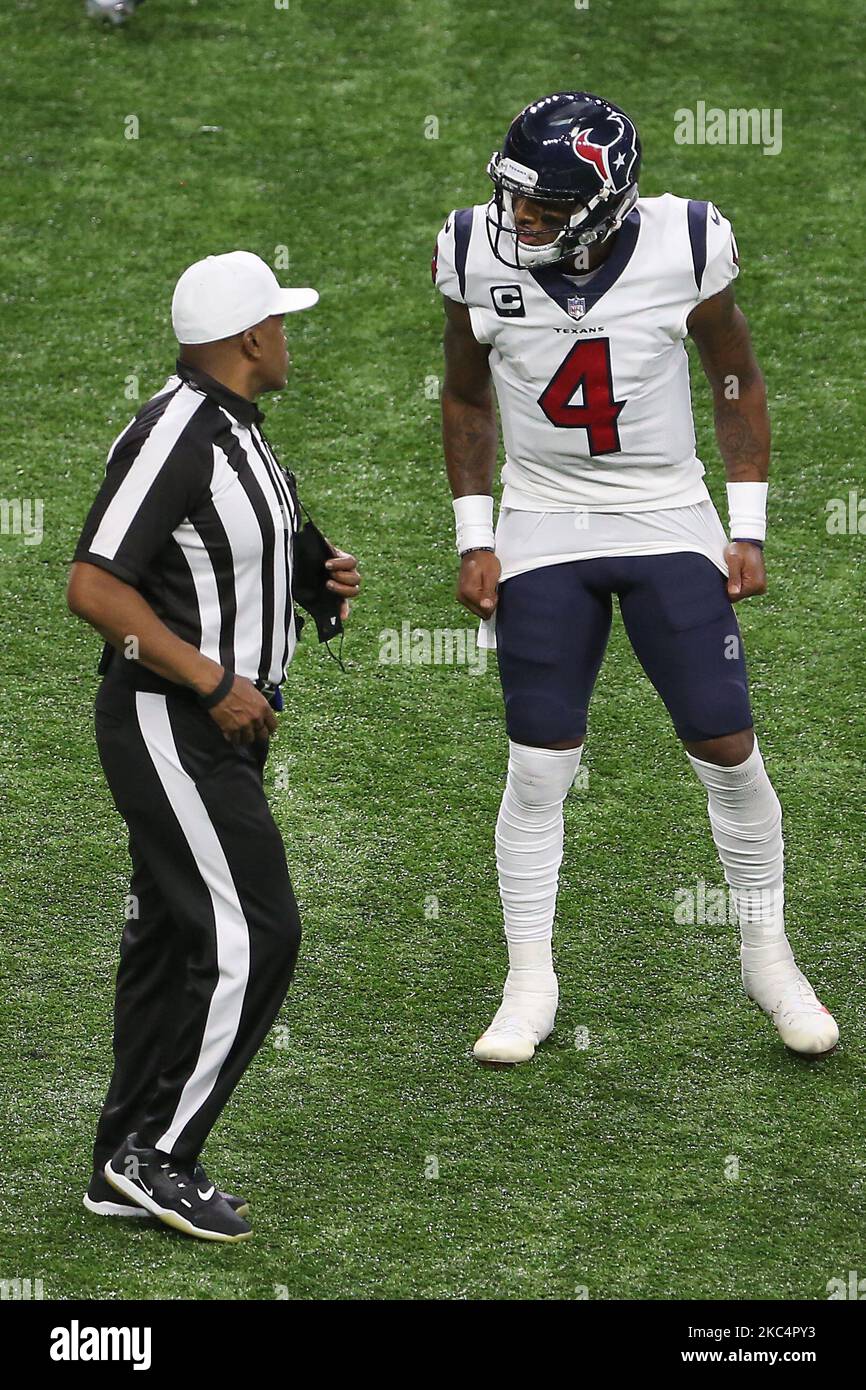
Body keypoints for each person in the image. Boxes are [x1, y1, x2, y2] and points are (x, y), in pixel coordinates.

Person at [433, 91, 838, 1065]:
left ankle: (766, 955)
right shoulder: (472, 252)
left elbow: (732, 376)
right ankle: (528, 978)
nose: (513, 220)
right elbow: (461, 393)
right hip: (540, 518)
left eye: (538, 206)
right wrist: (473, 535)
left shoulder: (684, 245)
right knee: (537, 761)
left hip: (662, 510)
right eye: (511, 199)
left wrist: (745, 525)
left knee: (725, 741)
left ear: (601, 204)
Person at [68, 251, 361, 1240]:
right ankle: (161, 1155)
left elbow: (244, 544)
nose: (287, 335)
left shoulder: (235, 431)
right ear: (246, 340)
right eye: (278, 322)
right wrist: (211, 681)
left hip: (216, 725)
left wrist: (315, 578)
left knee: (170, 937)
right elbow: (96, 587)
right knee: (254, 932)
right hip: (168, 721)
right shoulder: (175, 435)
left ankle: (118, 1165)